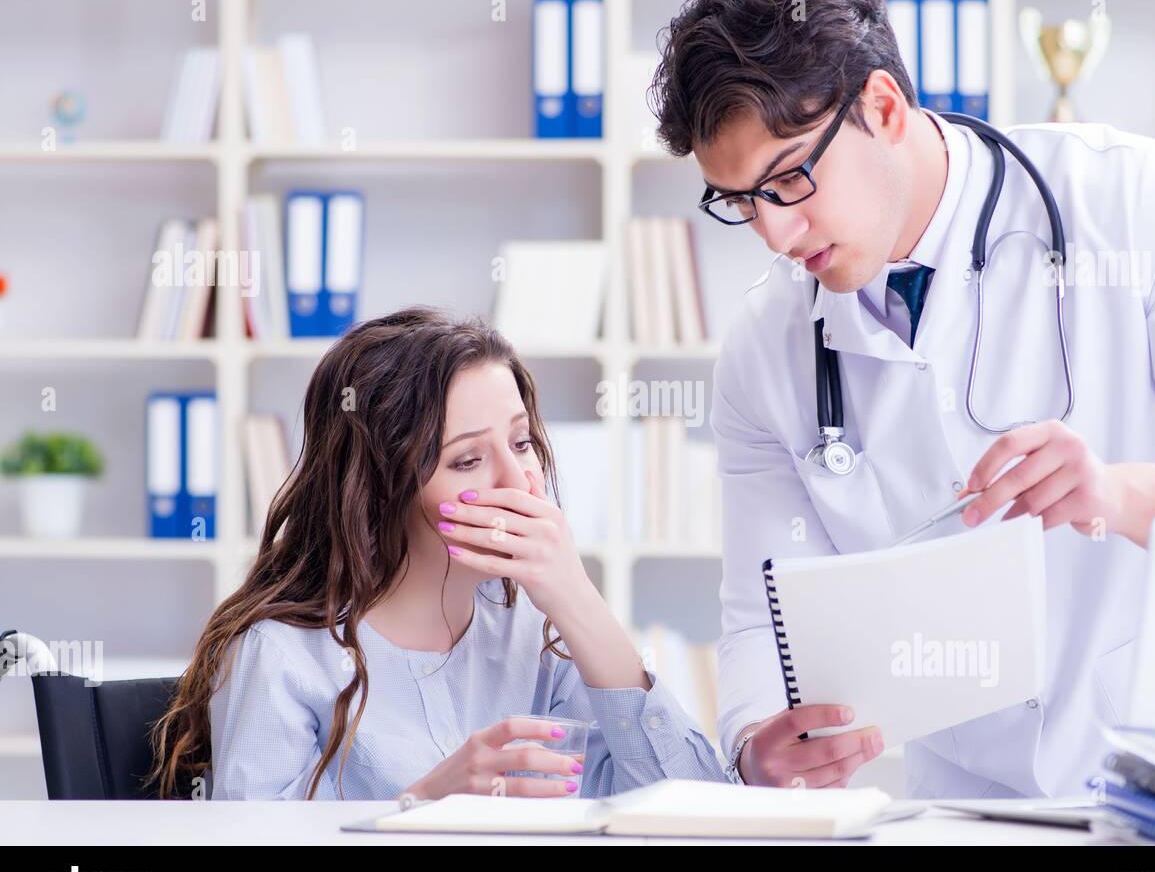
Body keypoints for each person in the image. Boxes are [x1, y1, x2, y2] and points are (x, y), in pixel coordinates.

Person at [649, 0, 1155, 797]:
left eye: (789, 180)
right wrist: (753, 739)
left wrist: (1123, 493)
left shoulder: (1141, 202)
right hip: (965, 806)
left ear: (882, 107)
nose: (774, 233)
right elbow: (758, 615)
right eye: (739, 200)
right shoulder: (764, 346)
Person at [149, 307, 727, 800]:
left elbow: (698, 810)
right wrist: (421, 804)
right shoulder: (283, 657)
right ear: (376, 489)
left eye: (522, 442)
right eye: (467, 461)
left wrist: (579, 600)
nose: (520, 481)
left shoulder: (538, 643)